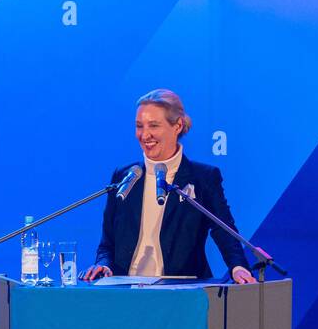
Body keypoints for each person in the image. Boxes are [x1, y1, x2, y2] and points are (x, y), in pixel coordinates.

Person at [81, 89, 255, 284]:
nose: (144, 135)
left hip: (180, 293)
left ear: (177, 125)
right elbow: (107, 244)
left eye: (153, 125)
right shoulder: (125, 177)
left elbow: (224, 230)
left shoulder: (202, 178)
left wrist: (238, 267)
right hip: (126, 293)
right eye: (139, 126)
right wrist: (103, 264)